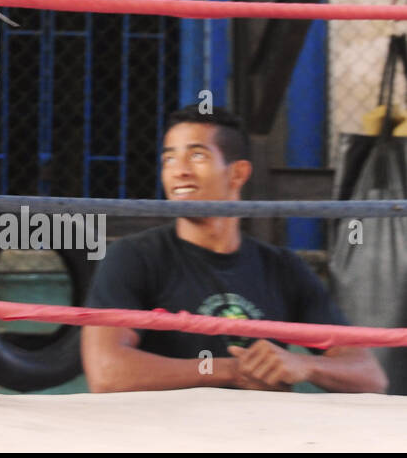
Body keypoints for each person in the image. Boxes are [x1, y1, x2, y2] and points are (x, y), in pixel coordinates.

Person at [81, 105, 388, 394]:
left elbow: (370, 375)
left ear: (238, 173)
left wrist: (303, 365)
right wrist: (233, 370)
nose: (179, 171)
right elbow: (106, 372)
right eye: (169, 160)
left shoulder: (282, 268)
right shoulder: (134, 257)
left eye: (197, 156)